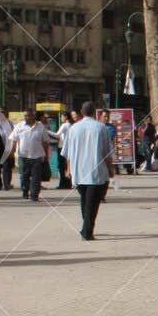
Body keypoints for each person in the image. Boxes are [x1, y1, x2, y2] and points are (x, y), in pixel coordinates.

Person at [62, 101, 115, 240]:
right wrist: (111, 169)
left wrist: (69, 169)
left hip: (78, 171)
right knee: (92, 202)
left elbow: (67, 152)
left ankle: (86, 227)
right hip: (96, 172)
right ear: (95, 112)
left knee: (85, 200)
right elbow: (107, 152)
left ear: (81, 111)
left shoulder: (73, 128)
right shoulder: (101, 128)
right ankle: (87, 231)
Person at [15, 113, 50, 201]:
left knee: (36, 177)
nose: (27, 117)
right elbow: (13, 139)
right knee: (24, 176)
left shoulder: (41, 127)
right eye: (25, 116)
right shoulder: (19, 126)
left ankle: (34, 195)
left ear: (33, 116)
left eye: (29, 115)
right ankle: (25, 191)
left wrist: (46, 155)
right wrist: (11, 152)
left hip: (37, 156)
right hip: (23, 156)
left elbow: (46, 142)